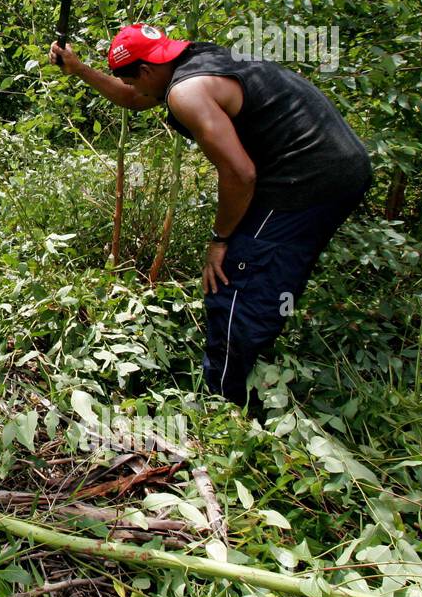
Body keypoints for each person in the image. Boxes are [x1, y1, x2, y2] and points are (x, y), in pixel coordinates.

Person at [51, 23, 373, 411]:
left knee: (237, 278)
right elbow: (136, 98)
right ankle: (255, 373)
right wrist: (79, 68)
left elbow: (240, 173)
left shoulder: (187, 92)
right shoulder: (195, 60)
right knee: (270, 272)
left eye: (131, 79)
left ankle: (227, 410)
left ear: (149, 71)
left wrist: (219, 241)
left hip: (306, 177)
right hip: (339, 163)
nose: (133, 89)